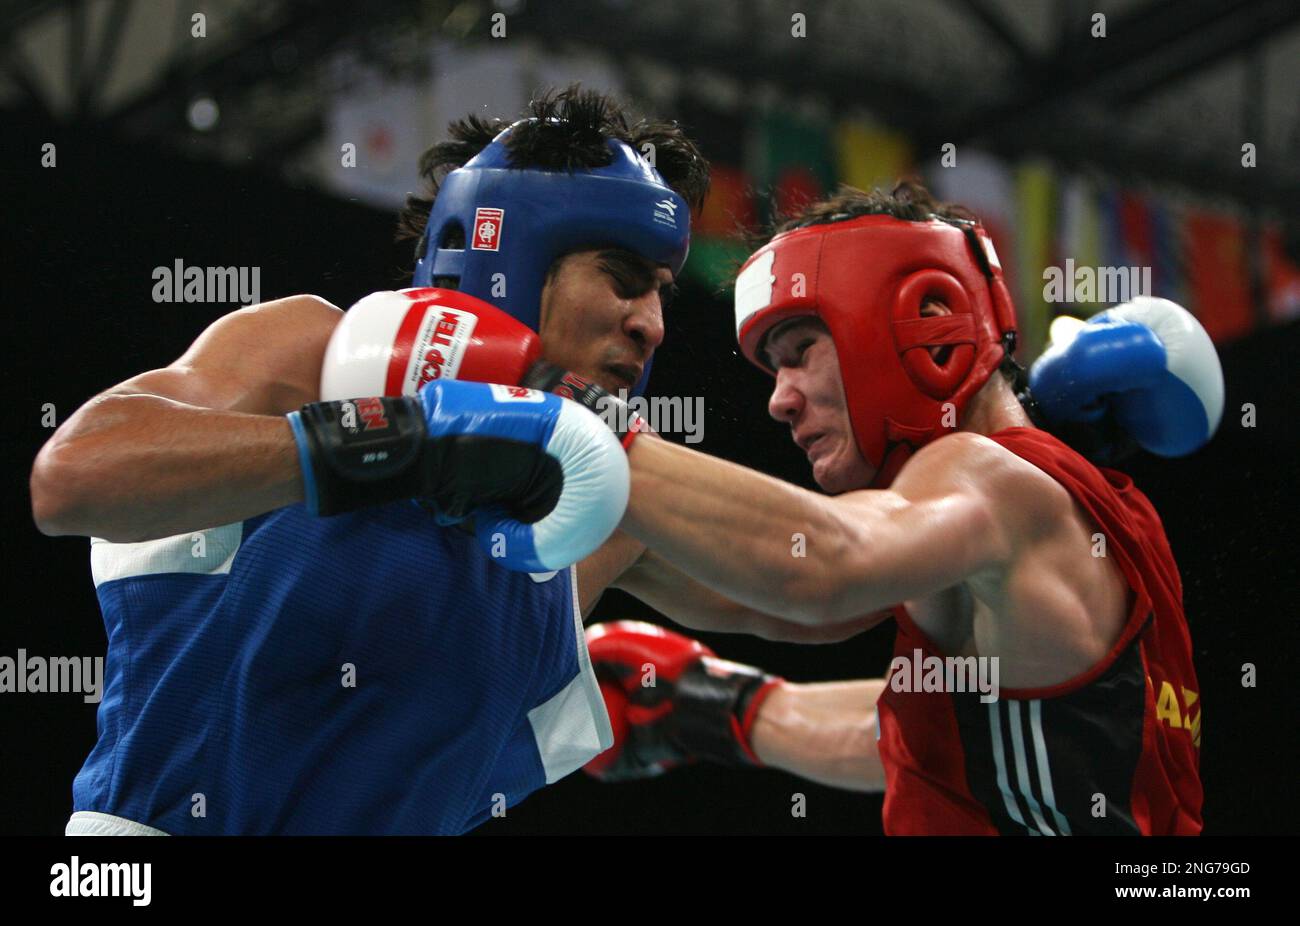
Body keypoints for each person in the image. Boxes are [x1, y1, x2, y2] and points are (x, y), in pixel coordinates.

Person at [29, 87, 711, 835]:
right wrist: (399, 443)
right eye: (622, 277)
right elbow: (74, 475)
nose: (651, 325)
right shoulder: (307, 353)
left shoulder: (606, 502)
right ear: (505, 253)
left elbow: (814, 585)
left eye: (663, 295)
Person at [583, 182, 1220, 835]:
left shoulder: (988, 475)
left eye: (801, 353)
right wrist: (722, 709)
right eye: (775, 371)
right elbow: (925, 736)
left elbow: (825, 565)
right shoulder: (1062, 516)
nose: (780, 400)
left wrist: (572, 423)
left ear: (929, 319)